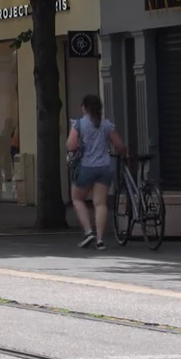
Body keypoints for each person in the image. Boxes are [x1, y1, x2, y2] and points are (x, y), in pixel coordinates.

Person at [66, 93, 126, 250]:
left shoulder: (79, 124)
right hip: (105, 167)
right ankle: (100, 240)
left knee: (77, 199)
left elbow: (71, 145)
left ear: (85, 107)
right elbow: (120, 146)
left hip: (86, 167)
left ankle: (88, 232)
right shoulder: (106, 125)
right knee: (100, 203)